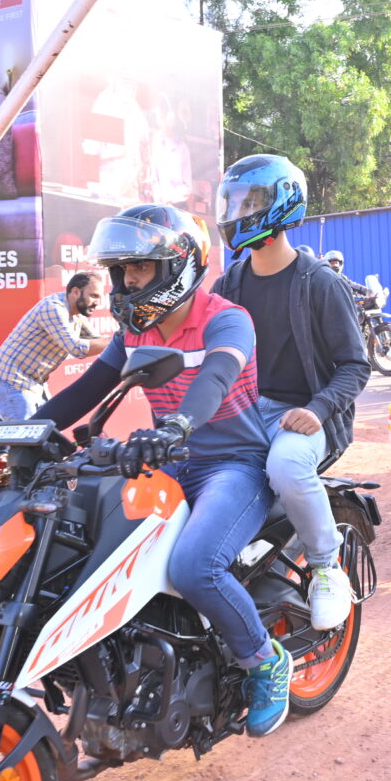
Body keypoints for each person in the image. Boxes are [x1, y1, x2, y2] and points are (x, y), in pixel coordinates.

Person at [35, 205, 292, 737]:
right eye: (121, 269)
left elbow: (216, 378)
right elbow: (86, 391)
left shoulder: (226, 318)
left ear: (178, 267)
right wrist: (21, 432)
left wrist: (177, 426)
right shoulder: (134, 333)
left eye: (140, 267)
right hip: (166, 464)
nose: (128, 280)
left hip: (233, 465)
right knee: (85, 546)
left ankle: (265, 662)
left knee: (196, 567)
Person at [214, 155, 371, 630]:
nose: (237, 212)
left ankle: (326, 568)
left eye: (249, 203)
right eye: (232, 203)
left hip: (303, 416)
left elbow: (355, 365)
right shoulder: (229, 283)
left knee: (285, 465)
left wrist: (317, 409)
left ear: (281, 205)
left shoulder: (319, 282)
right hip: (243, 413)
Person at [0, 272, 102, 420]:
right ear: (75, 292)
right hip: (14, 381)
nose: (97, 302)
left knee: (48, 431)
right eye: (93, 296)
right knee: (25, 434)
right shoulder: (53, 308)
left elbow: (98, 341)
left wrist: (120, 340)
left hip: (35, 383)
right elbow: (77, 349)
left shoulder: (75, 315)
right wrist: (118, 340)